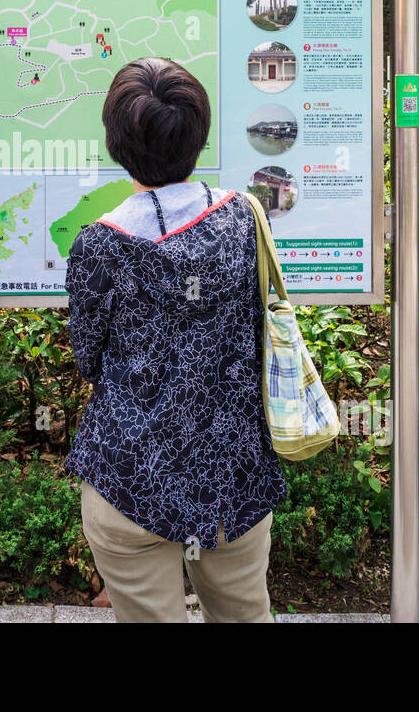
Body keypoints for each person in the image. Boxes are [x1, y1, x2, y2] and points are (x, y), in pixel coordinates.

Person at [64, 57, 288, 623]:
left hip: (129, 480)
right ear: (199, 133)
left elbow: (88, 357)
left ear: (116, 143)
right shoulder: (245, 216)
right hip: (235, 475)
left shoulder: (99, 246)